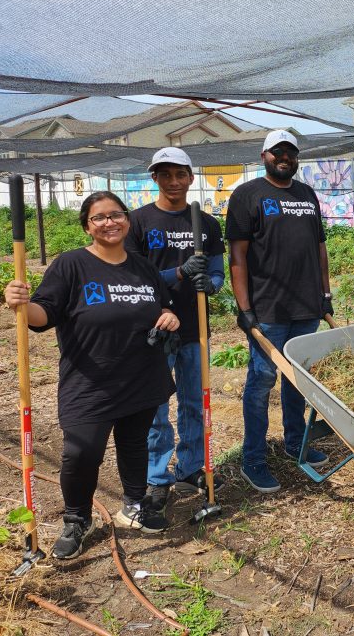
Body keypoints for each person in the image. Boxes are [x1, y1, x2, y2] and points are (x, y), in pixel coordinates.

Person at [4, 191, 179, 559]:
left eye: (116, 215)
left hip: (141, 375)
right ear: (87, 225)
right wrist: (22, 304)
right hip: (90, 381)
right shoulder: (71, 265)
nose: (109, 222)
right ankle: (77, 518)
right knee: (82, 452)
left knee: (135, 444)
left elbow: (161, 304)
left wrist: (170, 316)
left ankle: (134, 503)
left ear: (127, 221)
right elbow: (44, 315)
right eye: (99, 217)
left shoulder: (143, 266)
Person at [226, 129, 331, 493]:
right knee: (261, 382)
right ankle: (253, 458)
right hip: (268, 310)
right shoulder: (247, 195)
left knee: (298, 379)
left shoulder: (307, 194)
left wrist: (326, 293)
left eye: (290, 153)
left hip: (306, 306)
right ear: (264, 155)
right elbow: (237, 255)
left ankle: (294, 442)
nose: (284, 158)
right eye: (277, 152)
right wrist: (245, 308)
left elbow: (320, 248)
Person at [125, 147, 226, 512]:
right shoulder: (137, 223)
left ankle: (190, 466)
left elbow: (217, 272)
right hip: (153, 330)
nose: (173, 181)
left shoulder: (207, 224)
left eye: (180, 174)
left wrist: (210, 284)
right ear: (154, 178)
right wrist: (178, 273)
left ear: (190, 178)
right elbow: (132, 278)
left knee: (194, 403)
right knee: (155, 409)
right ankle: (156, 477)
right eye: (165, 174)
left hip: (195, 328)